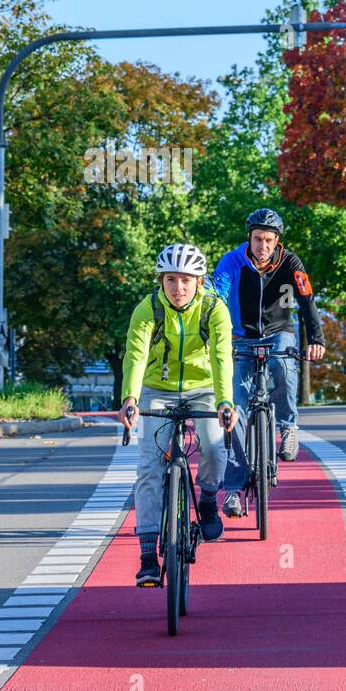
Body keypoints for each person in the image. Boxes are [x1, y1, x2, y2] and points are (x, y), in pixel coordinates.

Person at [117, 243, 238, 586]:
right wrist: (131, 398)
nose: (178, 288)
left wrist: (225, 402)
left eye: (186, 280)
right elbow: (136, 356)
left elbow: (221, 357)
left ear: (199, 281)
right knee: (148, 466)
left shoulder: (215, 309)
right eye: (171, 279)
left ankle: (210, 499)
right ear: (161, 280)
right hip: (157, 389)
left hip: (205, 388)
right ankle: (146, 556)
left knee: (214, 446)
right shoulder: (147, 309)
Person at [211, 208, 326, 516]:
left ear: (277, 241)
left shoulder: (291, 262)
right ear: (249, 238)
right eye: (258, 239)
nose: (263, 246)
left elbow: (307, 299)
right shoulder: (232, 260)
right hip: (241, 337)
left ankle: (288, 427)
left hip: (279, 333)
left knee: (286, 366)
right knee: (235, 410)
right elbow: (217, 293)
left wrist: (316, 339)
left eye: (269, 240)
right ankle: (233, 489)